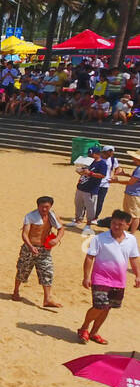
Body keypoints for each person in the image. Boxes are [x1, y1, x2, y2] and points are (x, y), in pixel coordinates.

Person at [78, 209, 140, 344]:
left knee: (107, 307)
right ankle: (84, 328)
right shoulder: (99, 238)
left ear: (127, 225)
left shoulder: (131, 240)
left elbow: (134, 258)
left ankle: (94, 332)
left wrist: (137, 275)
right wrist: (86, 277)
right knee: (99, 306)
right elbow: (90, 257)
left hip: (119, 281)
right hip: (100, 278)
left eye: (120, 224)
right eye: (113, 223)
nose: (116, 226)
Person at [12, 195, 63, 308]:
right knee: (22, 271)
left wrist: (57, 239)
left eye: (47, 207)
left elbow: (61, 229)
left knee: (47, 271)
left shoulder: (52, 215)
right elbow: (25, 234)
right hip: (29, 248)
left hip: (44, 249)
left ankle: (47, 298)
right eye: (42, 207)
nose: (44, 209)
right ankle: (16, 291)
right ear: (38, 206)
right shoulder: (31, 216)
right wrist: (30, 246)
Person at [74, 146, 110, 228]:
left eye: (92, 154)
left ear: (97, 154)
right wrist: (80, 171)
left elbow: (102, 175)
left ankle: (88, 224)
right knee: (78, 204)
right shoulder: (89, 161)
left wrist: (90, 173)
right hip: (81, 186)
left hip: (91, 189)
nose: (90, 156)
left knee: (90, 208)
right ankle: (78, 220)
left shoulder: (102, 164)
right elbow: (84, 172)